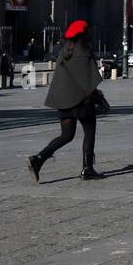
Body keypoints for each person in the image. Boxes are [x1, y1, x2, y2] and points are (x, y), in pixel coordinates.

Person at [28, 20, 105, 182]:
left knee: (66, 135)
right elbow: (87, 80)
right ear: (84, 35)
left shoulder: (64, 51)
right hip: (82, 102)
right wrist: (98, 97)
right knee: (89, 132)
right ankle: (87, 169)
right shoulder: (84, 51)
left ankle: (38, 159)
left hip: (64, 102)